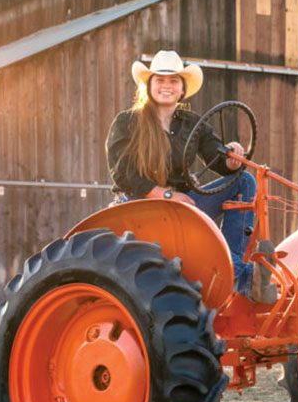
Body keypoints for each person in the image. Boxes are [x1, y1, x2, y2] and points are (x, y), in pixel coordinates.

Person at [106, 49, 277, 303]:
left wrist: (231, 158)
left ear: (182, 89)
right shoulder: (128, 122)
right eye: (160, 80)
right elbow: (123, 173)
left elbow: (218, 159)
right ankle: (243, 278)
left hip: (182, 206)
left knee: (244, 182)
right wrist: (166, 195)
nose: (167, 86)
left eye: (174, 81)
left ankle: (232, 266)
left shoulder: (192, 124)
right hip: (142, 206)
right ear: (149, 85)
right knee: (179, 205)